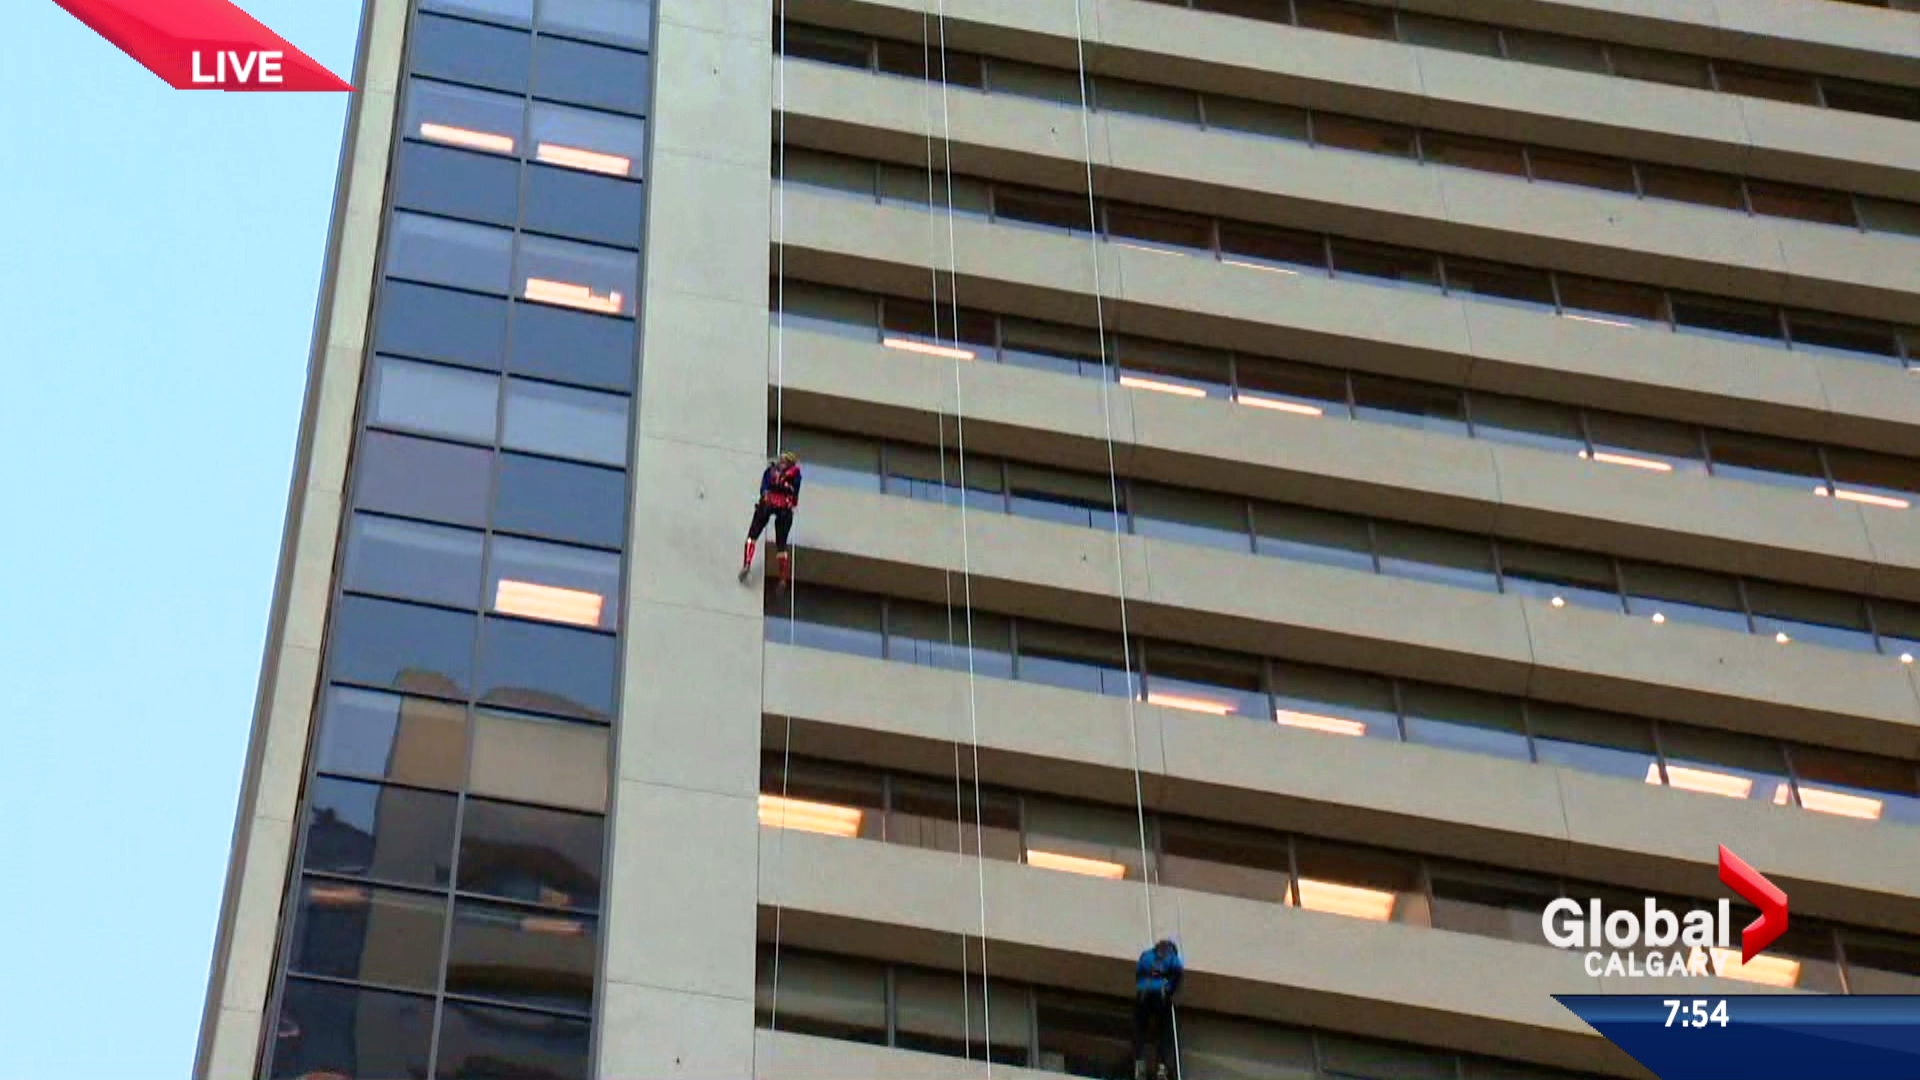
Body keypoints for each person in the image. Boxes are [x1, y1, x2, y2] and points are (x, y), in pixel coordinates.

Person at [741, 450, 803, 586]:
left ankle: (780, 576)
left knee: (756, 534)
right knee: (776, 542)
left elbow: (765, 488)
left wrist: (768, 494)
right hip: (780, 506)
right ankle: (779, 576)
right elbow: (793, 495)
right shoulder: (790, 474)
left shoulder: (776, 472)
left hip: (775, 504)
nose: (782, 463)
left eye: (784, 461)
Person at [1131, 939, 1183, 1080]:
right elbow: (1178, 970)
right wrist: (1170, 988)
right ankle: (1162, 1066)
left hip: (1144, 994)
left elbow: (1138, 971)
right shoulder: (1172, 958)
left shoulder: (1147, 955)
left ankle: (1139, 1062)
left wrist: (1143, 985)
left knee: (1139, 1027)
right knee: (1165, 1030)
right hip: (1160, 996)